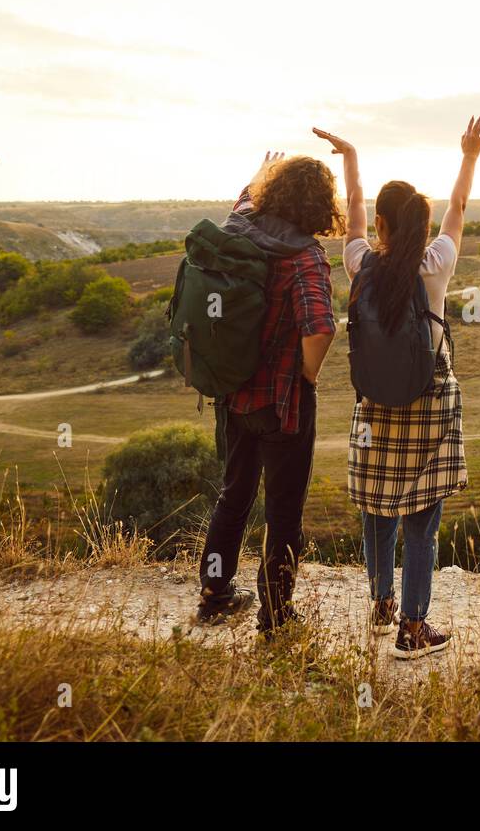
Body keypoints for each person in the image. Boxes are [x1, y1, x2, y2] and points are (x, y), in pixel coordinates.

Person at [316, 117, 480, 659]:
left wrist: (351, 160)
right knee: (421, 521)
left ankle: (382, 603)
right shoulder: (434, 266)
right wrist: (469, 157)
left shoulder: (359, 263)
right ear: (421, 224)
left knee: (377, 510)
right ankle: (413, 630)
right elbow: (458, 209)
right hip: (428, 406)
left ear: (382, 225)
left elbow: (355, 213)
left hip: (374, 412)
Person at [195, 150, 342, 638]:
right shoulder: (304, 256)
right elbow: (321, 329)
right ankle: (275, 615)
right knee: (283, 514)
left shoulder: (239, 229)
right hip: (284, 405)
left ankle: (215, 594)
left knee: (233, 496)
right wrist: (307, 375)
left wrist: (260, 173)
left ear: (274, 191)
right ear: (322, 204)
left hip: (235, 393)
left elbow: (241, 200)